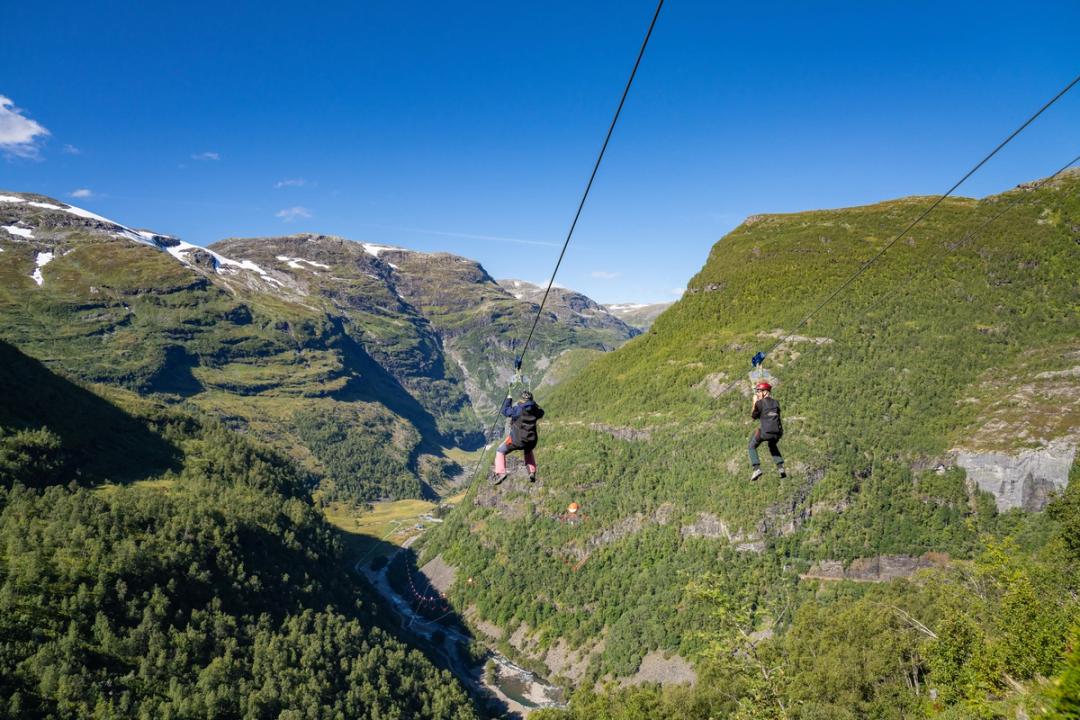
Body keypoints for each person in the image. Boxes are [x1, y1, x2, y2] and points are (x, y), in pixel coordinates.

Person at [492, 389, 545, 485]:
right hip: (531, 440)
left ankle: (501, 473)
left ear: (521, 400)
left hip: (517, 440)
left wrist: (509, 399)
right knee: (528, 450)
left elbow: (505, 411)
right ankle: (532, 472)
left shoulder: (518, 409)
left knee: (500, 450)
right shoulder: (535, 410)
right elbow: (542, 412)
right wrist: (534, 404)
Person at [749, 381, 785, 481]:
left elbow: (753, 416)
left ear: (765, 392)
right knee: (772, 445)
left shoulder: (759, 403)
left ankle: (756, 469)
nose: (757, 394)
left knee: (751, 446)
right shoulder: (776, 402)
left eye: (759, 392)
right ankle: (780, 467)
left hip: (766, 433)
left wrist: (754, 403)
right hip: (777, 433)